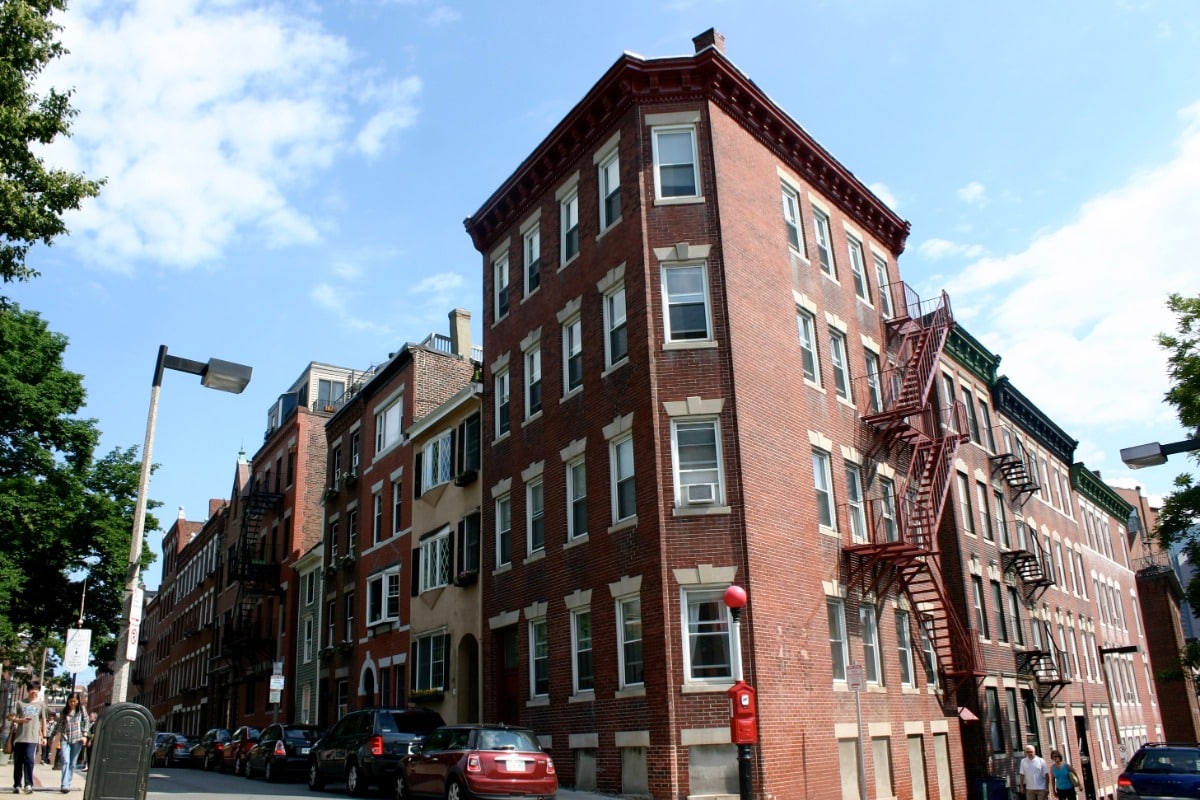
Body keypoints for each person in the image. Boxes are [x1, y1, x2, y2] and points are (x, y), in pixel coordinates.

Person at [7, 684, 48, 794]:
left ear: (38, 691)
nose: (33, 691)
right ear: (28, 690)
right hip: (20, 737)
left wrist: (44, 736)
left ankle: (28, 784)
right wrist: (21, 720)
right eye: (31, 689)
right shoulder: (20, 703)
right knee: (18, 762)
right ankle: (17, 785)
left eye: (36, 689)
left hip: (33, 737)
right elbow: (11, 717)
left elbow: (43, 721)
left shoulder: (41, 705)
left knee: (29, 760)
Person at [56, 694, 89, 793]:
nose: (72, 704)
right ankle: (64, 785)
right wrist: (52, 736)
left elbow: (87, 721)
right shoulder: (64, 711)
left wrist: (85, 735)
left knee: (72, 763)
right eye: (70, 701)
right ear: (68, 701)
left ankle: (68, 782)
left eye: (74, 701)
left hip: (77, 739)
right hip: (65, 738)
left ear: (78, 701)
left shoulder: (81, 709)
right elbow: (59, 724)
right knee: (65, 760)